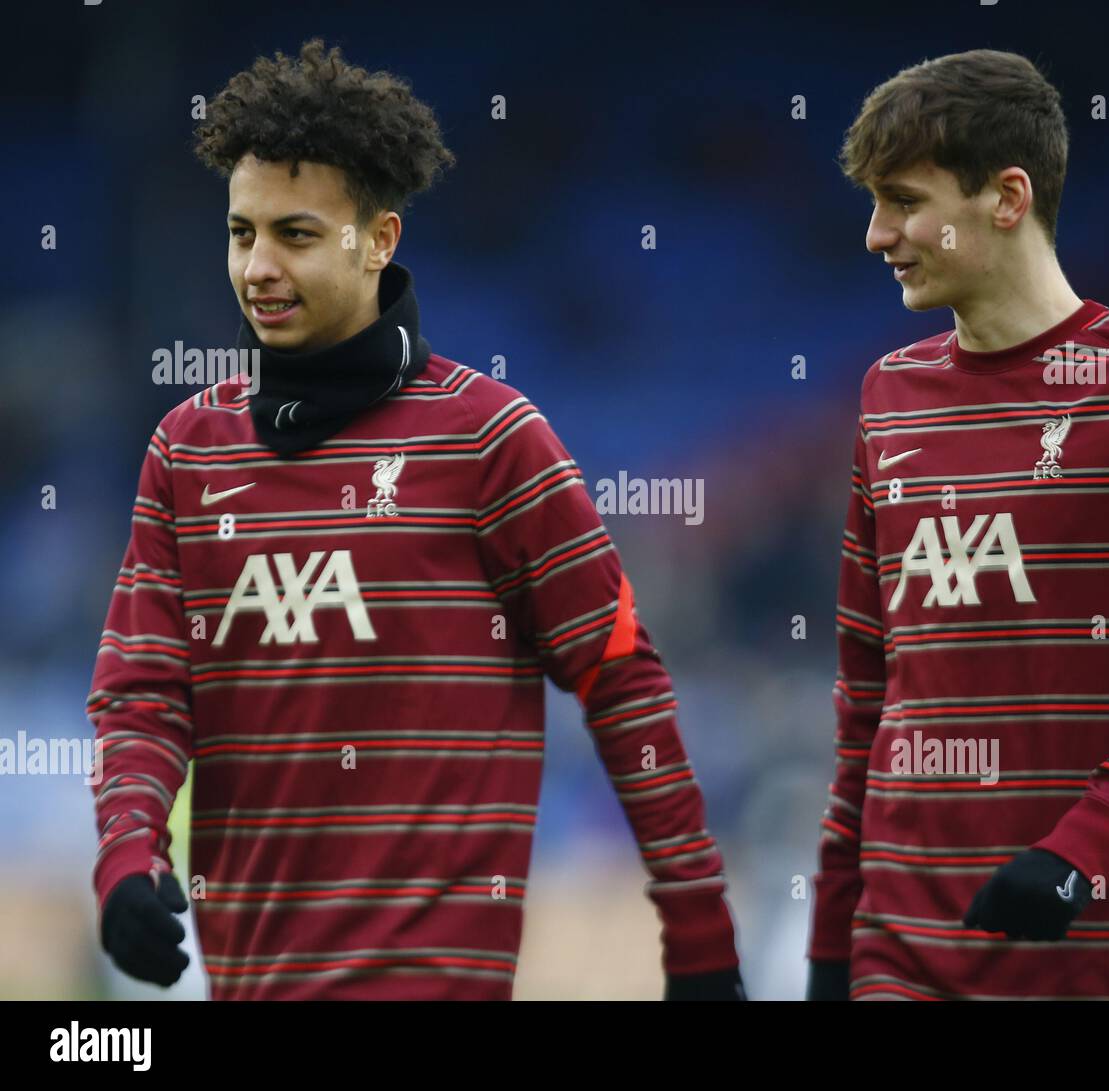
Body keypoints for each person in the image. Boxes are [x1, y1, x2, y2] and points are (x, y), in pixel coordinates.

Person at [88, 39, 743, 1001]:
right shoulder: (188, 451)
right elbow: (143, 692)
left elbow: (619, 676)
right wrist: (125, 858)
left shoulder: (490, 439)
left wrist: (699, 936)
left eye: (298, 235)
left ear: (380, 239)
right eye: (241, 233)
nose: (258, 267)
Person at [807, 49, 1109, 1000]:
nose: (876, 233)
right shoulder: (888, 397)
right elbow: (867, 691)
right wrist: (829, 946)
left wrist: (1079, 855)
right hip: (908, 953)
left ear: (1007, 198)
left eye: (901, 199)